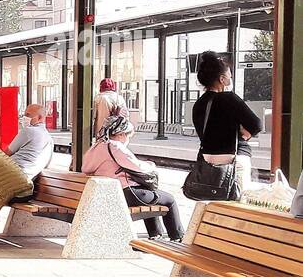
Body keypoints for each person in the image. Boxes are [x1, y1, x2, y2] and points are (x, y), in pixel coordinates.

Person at [83, 115, 183, 242]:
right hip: (126, 193)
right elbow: (138, 167)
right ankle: (178, 237)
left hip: (107, 194)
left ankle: (156, 235)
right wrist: (151, 165)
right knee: (170, 199)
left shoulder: (97, 147)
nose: (127, 140)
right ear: (120, 134)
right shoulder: (115, 146)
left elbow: (85, 168)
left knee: (150, 196)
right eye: (128, 136)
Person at [192, 51, 260, 195]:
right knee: (238, 205)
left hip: (207, 163)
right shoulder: (230, 99)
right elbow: (256, 125)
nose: (231, 77)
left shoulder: (198, 104)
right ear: (222, 79)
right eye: (229, 75)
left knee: (214, 204)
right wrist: (243, 134)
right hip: (234, 161)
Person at [6, 103, 54, 180]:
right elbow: (46, 164)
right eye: (24, 115)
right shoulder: (49, 139)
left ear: (40, 118)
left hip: (11, 175)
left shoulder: (28, 131)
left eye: (28, 115)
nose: (25, 117)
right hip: (26, 178)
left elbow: (6, 153)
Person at [93, 78, 127, 143]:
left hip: (103, 136)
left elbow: (93, 117)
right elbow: (126, 116)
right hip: (119, 134)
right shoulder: (120, 98)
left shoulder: (99, 98)